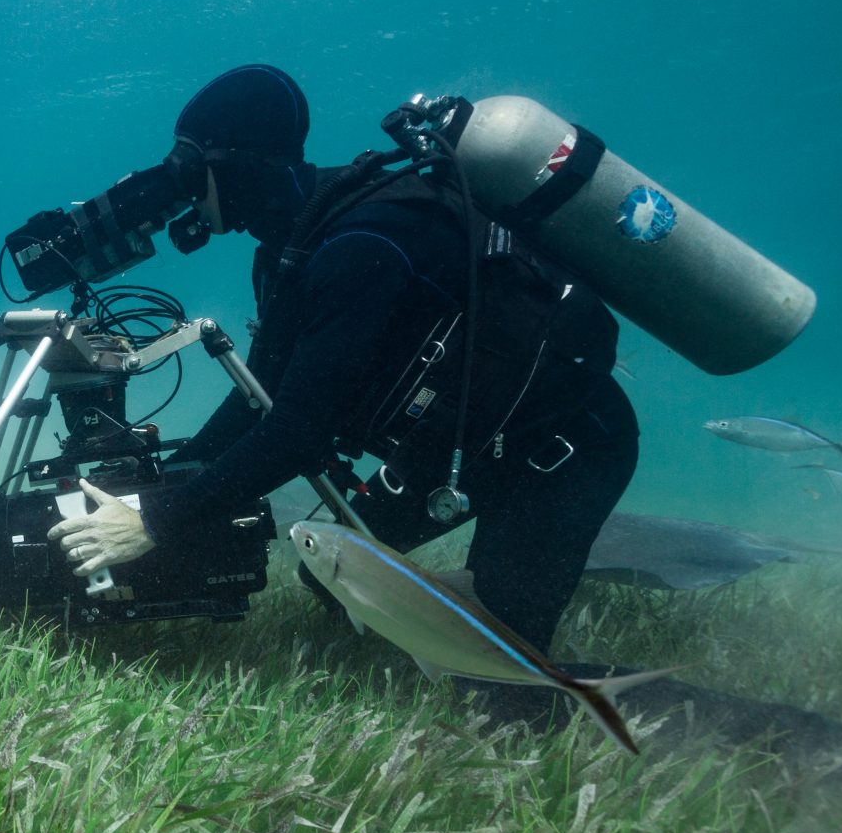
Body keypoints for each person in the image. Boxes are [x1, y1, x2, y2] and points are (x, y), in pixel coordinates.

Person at [48, 64, 640, 707]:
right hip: (451, 451)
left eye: (191, 165)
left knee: (499, 683)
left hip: (557, 451)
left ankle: (710, 718)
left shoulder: (361, 244)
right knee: (332, 578)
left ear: (240, 166)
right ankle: (479, 586)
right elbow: (263, 395)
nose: (181, 188)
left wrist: (156, 519)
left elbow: (298, 432)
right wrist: (177, 476)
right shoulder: (288, 250)